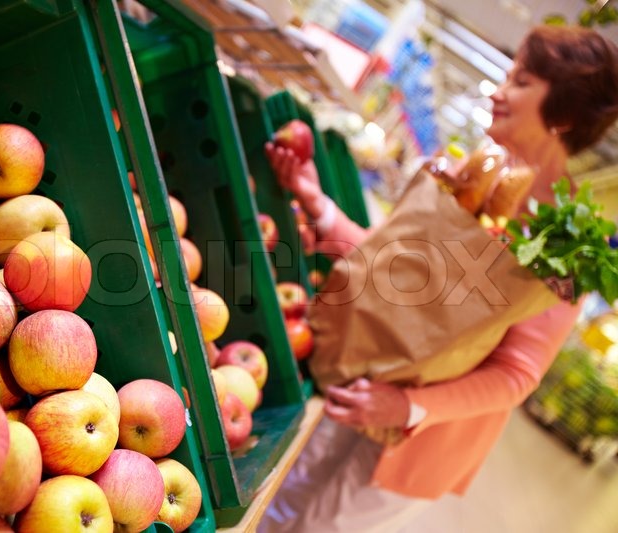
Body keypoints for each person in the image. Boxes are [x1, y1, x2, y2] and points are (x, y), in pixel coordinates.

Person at [257, 24, 618, 533]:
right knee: (276, 505)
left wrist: (407, 405)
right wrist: (315, 199)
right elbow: (384, 267)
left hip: (421, 434)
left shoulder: (565, 244)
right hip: (359, 373)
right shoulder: (464, 176)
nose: (498, 91)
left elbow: (516, 372)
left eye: (520, 82)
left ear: (561, 114)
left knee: (318, 526)